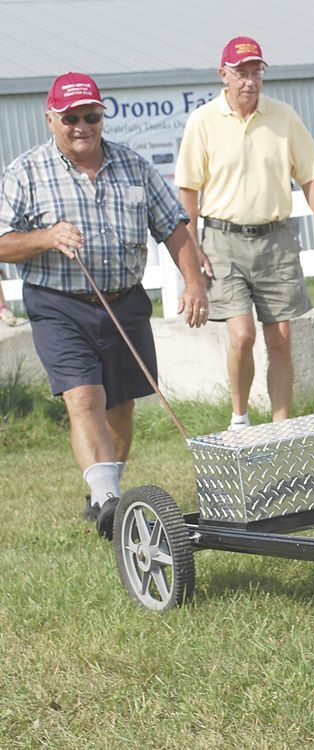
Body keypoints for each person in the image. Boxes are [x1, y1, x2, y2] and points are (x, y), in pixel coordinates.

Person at [0, 72, 209, 539]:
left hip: (125, 301)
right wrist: (47, 237)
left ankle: (101, 493)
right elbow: (3, 241)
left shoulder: (134, 167)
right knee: (84, 397)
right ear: (51, 118)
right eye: (71, 117)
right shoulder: (25, 172)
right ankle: (109, 500)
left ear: (102, 117)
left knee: (120, 408)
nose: (81, 126)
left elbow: (174, 227)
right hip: (59, 304)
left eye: (91, 116)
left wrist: (193, 283)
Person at [175, 36, 314, 430]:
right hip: (221, 239)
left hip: (276, 238)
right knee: (242, 334)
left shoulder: (283, 116)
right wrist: (193, 245)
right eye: (241, 73)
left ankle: (281, 426)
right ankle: (240, 418)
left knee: (281, 336)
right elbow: (189, 190)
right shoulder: (203, 120)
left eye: (255, 72)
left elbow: (310, 176)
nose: (249, 81)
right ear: (224, 76)